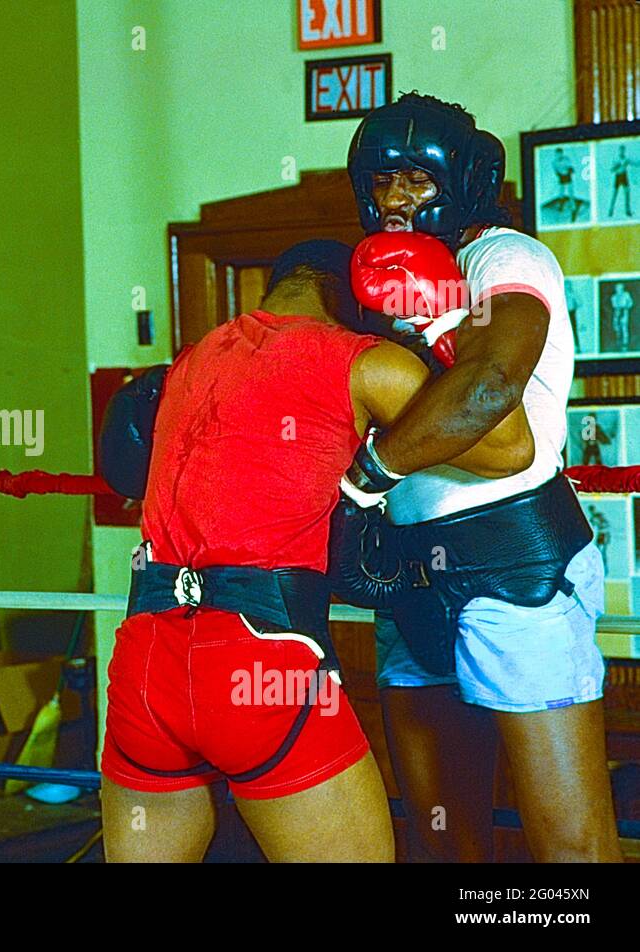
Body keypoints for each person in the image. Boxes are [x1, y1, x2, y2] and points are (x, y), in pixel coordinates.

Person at [96, 240, 532, 862]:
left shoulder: (190, 361)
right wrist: (438, 323)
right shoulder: (363, 362)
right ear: (359, 300)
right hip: (261, 666)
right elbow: (511, 446)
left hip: (145, 665)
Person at [345, 92, 621, 862]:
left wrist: (365, 476)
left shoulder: (504, 257)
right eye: (381, 181)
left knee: (570, 845)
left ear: (461, 180)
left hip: (515, 566)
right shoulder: (372, 283)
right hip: (409, 576)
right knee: (442, 840)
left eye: (416, 181)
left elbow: (489, 388)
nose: (395, 199)